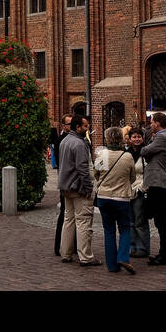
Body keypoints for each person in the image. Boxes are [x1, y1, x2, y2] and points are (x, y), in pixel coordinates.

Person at [93, 125, 139, 275]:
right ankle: (123, 257)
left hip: (104, 197)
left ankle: (112, 265)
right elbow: (132, 178)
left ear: (107, 138)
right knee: (125, 228)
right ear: (121, 139)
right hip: (121, 197)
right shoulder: (127, 156)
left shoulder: (102, 155)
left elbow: (97, 175)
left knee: (109, 230)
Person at [58, 111, 97, 266]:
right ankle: (85, 257)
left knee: (69, 220)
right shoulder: (79, 143)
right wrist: (88, 188)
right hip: (78, 188)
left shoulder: (65, 141)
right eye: (85, 126)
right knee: (83, 222)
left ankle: (65, 253)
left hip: (66, 186)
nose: (87, 129)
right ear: (78, 127)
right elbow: (83, 169)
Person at [141, 111, 166, 267]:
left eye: (152, 121)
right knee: (160, 220)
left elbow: (145, 151)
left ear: (157, 123)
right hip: (158, 181)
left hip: (159, 182)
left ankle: (165, 255)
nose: (150, 124)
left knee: (160, 220)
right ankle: (164, 254)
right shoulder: (164, 136)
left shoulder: (162, 136)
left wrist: (146, 148)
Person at [126, 126, 150, 258]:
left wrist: (141, 188)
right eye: (134, 137)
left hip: (140, 190)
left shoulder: (146, 152)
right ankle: (131, 246)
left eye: (139, 137)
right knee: (129, 221)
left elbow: (149, 173)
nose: (137, 139)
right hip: (128, 191)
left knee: (140, 221)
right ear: (129, 139)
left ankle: (143, 247)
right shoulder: (126, 153)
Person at [53, 114, 73, 256]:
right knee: (65, 213)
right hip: (66, 182)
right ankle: (60, 245)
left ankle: (70, 244)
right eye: (69, 124)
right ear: (64, 126)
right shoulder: (62, 141)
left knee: (70, 214)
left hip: (67, 181)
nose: (71, 126)